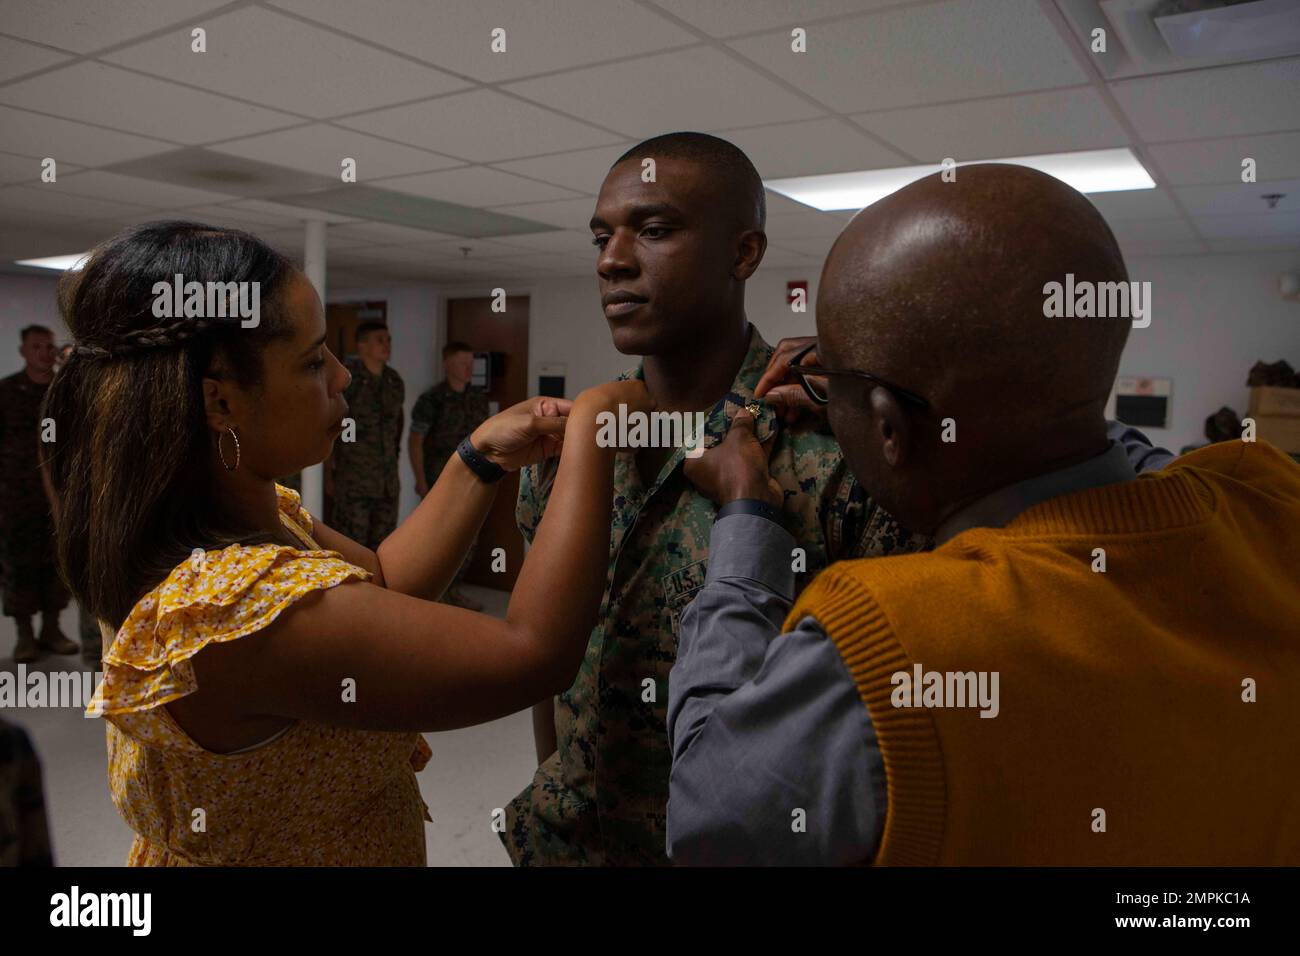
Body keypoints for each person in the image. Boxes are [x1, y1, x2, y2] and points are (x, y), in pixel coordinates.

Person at [667, 164, 1300, 865]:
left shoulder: (881, 651)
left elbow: (705, 814)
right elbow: (1101, 438)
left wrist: (744, 516)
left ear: (887, 430)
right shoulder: (1268, 492)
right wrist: (889, 397)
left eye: (830, 380)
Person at [42, 221, 648, 866]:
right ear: (220, 403)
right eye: (310, 362)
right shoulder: (234, 606)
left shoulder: (237, 516)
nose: (341, 377)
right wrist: (596, 426)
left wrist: (478, 459)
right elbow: (533, 655)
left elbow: (383, 584)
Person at [0, 325, 76, 662]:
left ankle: (52, 627)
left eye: (49, 347)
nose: (44, 353)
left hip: (59, 494)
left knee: (56, 563)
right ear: (23, 352)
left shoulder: (64, 394)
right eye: (36, 347)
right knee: (19, 565)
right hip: (16, 494)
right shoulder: (6, 391)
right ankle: (25, 634)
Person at [410, 341, 491, 611]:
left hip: (473, 479)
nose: (469, 369)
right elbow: (415, 441)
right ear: (447, 364)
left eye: (471, 363)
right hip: (439, 479)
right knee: (438, 538)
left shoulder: (477, 398)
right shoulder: (431, 399)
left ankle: (452, 592)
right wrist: (420, 480)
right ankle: (435, 597)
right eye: (462, 363)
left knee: (468, 537)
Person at [326, 321, 403, 550]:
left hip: (387, 480)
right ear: (361, 346)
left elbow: (397, 422)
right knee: (351, 544)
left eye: (388, 339)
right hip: (353, 479)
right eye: (379, 340)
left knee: (384, 546)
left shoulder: (394, 381)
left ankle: (378, 587)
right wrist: (329, 473)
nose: (386, 345)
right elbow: (330, 425)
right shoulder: (346, 380)